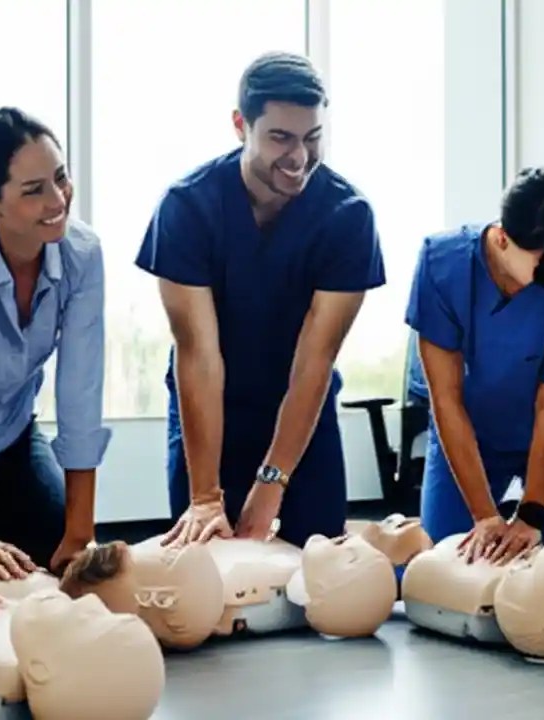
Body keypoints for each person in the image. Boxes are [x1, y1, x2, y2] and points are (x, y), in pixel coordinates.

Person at [136, 52, 384, 548]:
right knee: (204, 563)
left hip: (301, 409)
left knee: (318, 566)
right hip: (212, 408)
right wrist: (206, 496)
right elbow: (198, 356)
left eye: (312, 137)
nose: (299, 158)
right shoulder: (187, 207)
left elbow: (315, 360)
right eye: (280, 138)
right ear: (240, 126)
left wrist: (272, 484)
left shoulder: (348, 216)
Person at [404, 167, 544, 567]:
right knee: (445, 561)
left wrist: (531, 516)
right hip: (469, 423)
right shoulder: (443, 265)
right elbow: (446, 398)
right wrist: (485, 517)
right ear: (502, 239)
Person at [0, 107, 110, 577]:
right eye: (34, 190)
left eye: (60, 178)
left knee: (67, 561)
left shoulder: (82, 254)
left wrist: (79, 535)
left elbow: (80, 394)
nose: (58, 200)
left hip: (11, 435)